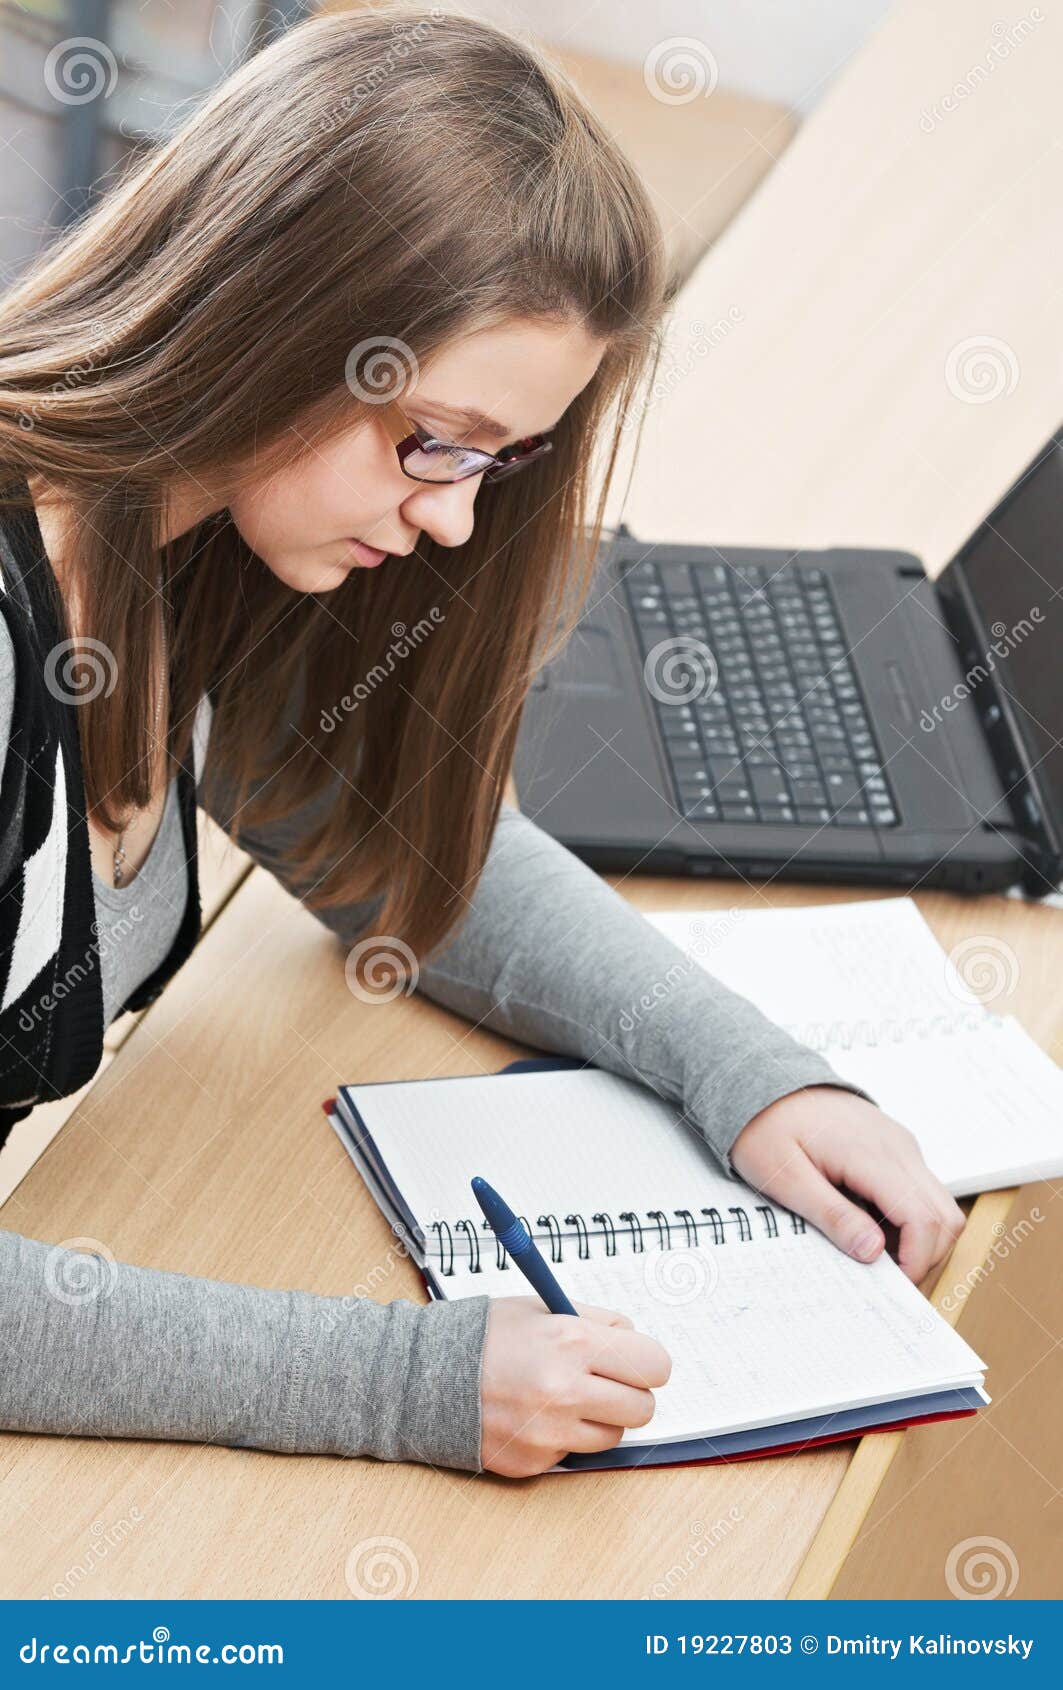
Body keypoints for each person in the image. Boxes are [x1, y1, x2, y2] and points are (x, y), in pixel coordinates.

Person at [0, 4, 963, 1480]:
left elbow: (395, 847)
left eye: (497, 461)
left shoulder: (191, 527)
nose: (455, 516)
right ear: (272, 317)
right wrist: (406, 1384)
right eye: (430, 442)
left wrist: (750, 1072)